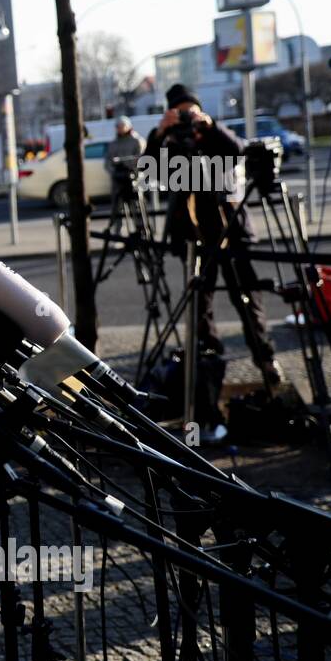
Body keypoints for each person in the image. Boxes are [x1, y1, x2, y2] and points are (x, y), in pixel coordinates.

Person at [144, 84, 283, 433]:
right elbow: (150, 174)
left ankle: (267, 364)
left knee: (248, 301)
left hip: (231, 231)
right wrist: (158, 134)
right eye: (181, 113)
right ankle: (207, 388)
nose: (188, 119)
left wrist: (210, 125)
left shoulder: (214, 135)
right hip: (195, 239)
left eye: (191, 111)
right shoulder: (170, 144)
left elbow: (237, 152)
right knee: (200, 312)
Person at [105, 116, 145, 191]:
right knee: (116, 194)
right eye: (118, 126)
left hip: (133, 173)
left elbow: (142, 156)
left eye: (122, 126)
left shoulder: (137, 141)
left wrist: (136, 168)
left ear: (128, 126)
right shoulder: (114, 143)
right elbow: (108, 160)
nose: (120, 128)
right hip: (119, 174)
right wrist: (113, 171)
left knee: (137, 193)